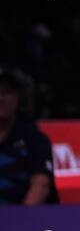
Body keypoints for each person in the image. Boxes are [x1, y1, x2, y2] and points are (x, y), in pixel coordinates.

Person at [0, 69, 58, 205]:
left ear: (18, 98)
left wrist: (21, 221)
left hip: (23, 219)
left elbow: (41, 184)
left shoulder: (34, 139)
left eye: (7, 92)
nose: (1, 98)